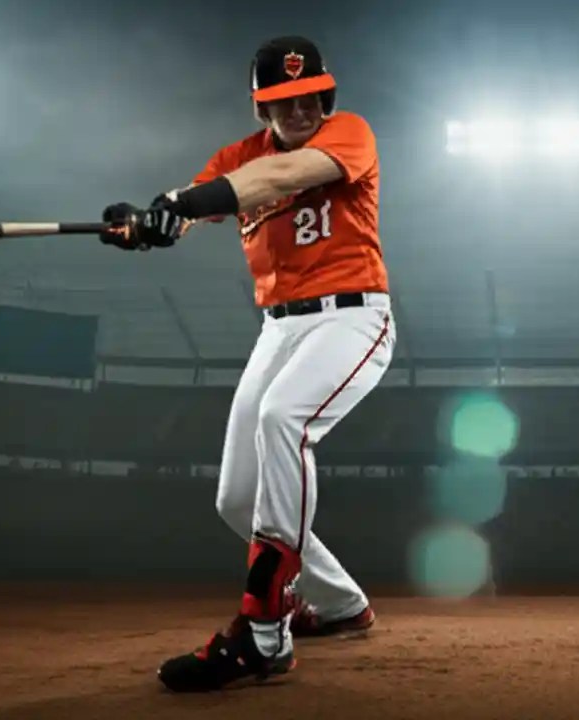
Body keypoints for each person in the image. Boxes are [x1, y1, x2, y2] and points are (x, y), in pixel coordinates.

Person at [99, 35, 395, 692]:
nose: (298, 110)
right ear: (262, 108)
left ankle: (263, 634)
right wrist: (147, 221)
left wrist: (182, 204)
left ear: (326, 93)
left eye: (307, 96)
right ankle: (343, 605)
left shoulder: (349, 134)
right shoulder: (238, 156)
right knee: (236, 498)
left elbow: (275, 180)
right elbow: (201, 199)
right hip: (279, 327)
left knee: (283, 418)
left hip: (352, 317)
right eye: (281, 102)